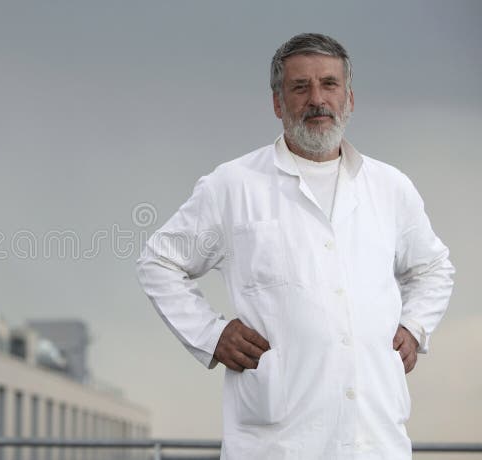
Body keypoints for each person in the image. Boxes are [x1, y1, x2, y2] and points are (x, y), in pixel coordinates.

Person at [135, 33, 454, 459]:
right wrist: (212, 335)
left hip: (374, 439)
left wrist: (415, 326)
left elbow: (433, 268)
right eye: (300, 87)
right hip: (276, 442)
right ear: (277, 103)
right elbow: (160, 261)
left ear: (350, 98)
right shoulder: (234, 186)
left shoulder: (390, 187)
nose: (316, 99)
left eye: (329, 84)